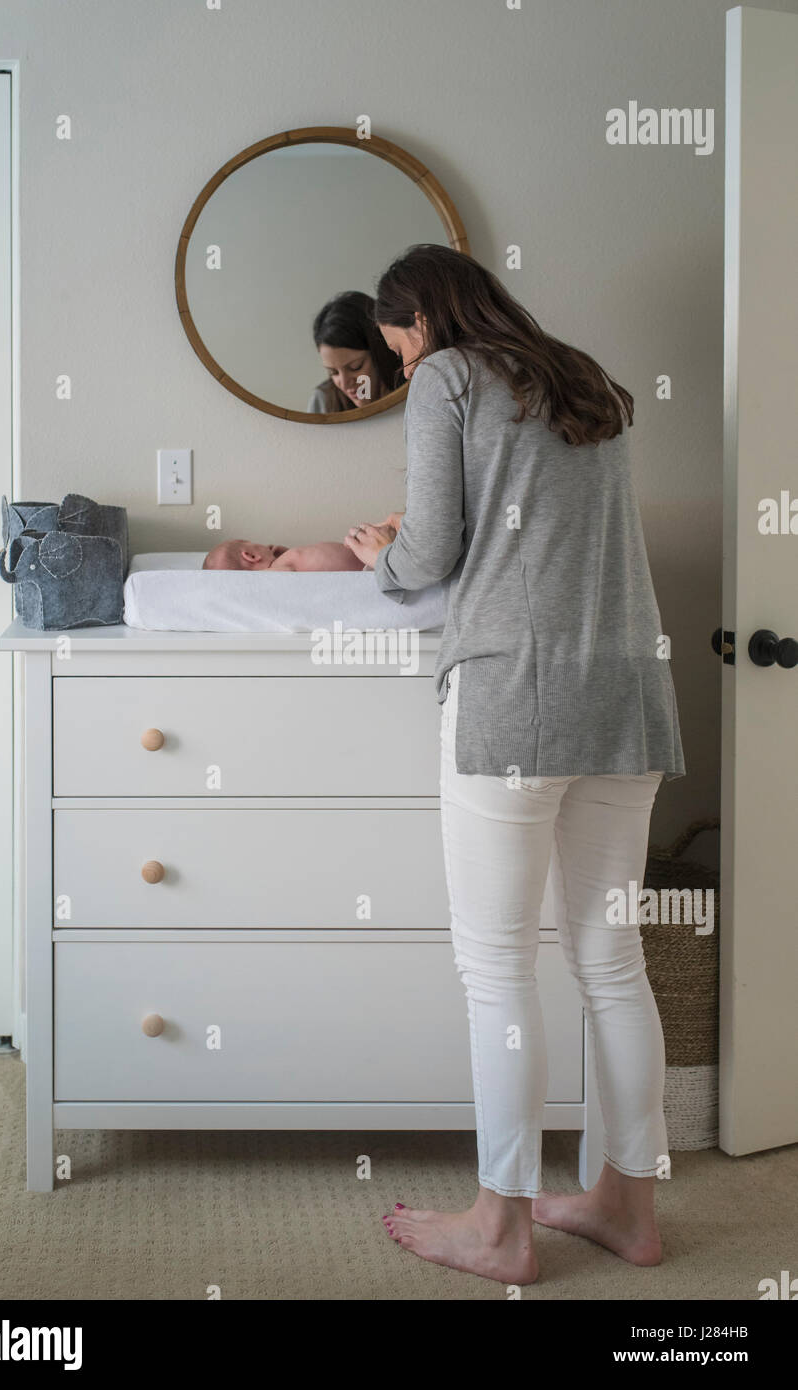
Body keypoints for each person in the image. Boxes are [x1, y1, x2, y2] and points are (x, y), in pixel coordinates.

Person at [344, 243, 686, 1286]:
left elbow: (432, 551)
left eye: (399, 348)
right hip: (625, 696)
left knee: (497, 969)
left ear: (421, 320)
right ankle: (628, 1206)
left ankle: (500, 1226)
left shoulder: (449, 377)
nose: (404, 368)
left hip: (514, 701)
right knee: (611, 962)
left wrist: (379, 557)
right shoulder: (579, 375)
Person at [308, 291, 401, 412]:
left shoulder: (413, 389)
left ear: (382, 351)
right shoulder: (322, 401)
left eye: (355, 367)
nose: (345, 384)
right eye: (333, 372)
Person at [203, 538, 365, 572]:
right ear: (251, 556)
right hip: (366, 566)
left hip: (365, 558)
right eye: (255, 543)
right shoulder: (274, 571)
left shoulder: (281, 563)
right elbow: (287, 574)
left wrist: (286, 553)